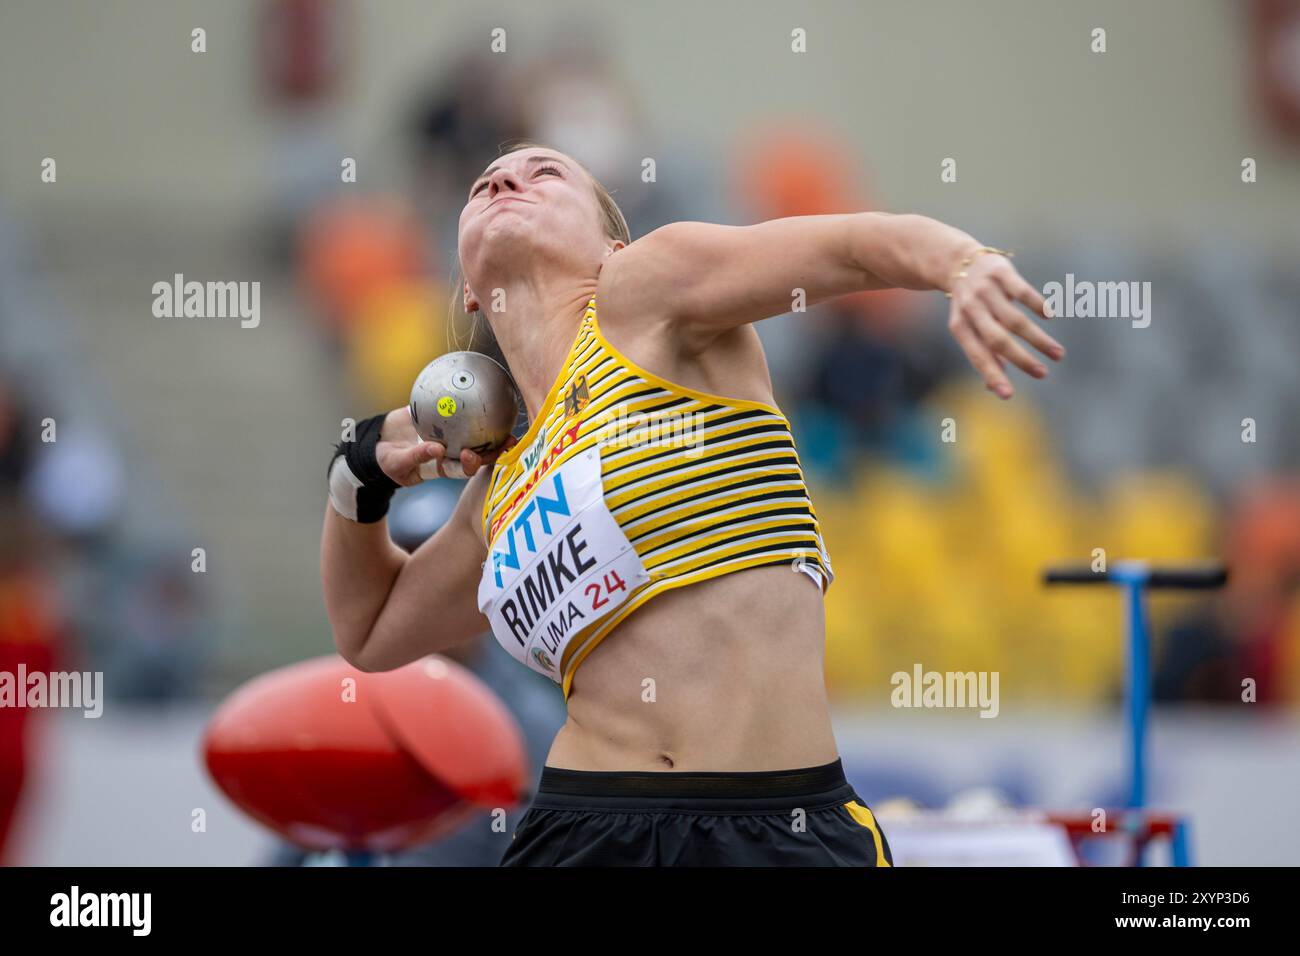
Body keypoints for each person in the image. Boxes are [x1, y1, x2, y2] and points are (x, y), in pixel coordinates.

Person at [320, 142, 1062, 866]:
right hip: (585, 827)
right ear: (469, 290)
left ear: (611, 245)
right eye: (485, 183)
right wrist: (357, 475)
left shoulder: (643, 297)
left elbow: (852, 249)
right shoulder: (499, 488)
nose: (508, 179)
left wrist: (964, 265)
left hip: (778, 824)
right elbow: (374, 631)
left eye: (546, 173)